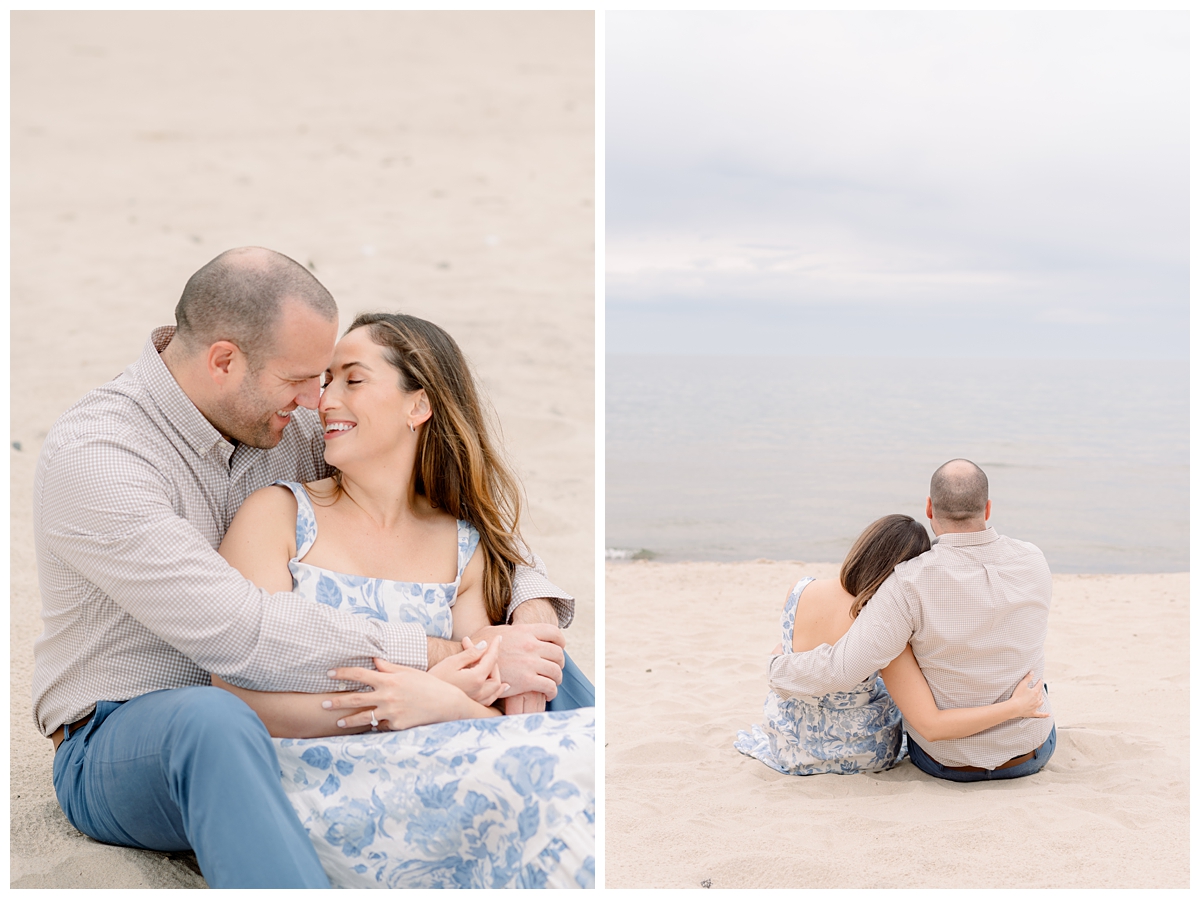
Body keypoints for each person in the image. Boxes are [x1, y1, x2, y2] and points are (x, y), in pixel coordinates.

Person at [31, 248, 588, 888]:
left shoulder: (284, 421)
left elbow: (468, 516)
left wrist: (529, 620)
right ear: (223, 361)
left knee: (541, 660)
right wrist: (442, 656)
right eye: (301, 379)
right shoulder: (99, 457)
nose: (314, 401)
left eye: (327, 378)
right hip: (123, 736)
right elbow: (242, 634)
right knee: (213, 721)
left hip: (290, 720)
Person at [213, 312, 594, 888]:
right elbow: (233, 696)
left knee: (574, 767)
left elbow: (487, 705)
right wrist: (393, 708)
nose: (324, 401)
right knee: (550, 780)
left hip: (447, 765)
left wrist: (440, 698)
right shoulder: (280, 515)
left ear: (419, 406)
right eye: (325, 382)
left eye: (352, 380)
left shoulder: (464, 547)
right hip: (317, 781)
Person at [768, 460, 1056, 782]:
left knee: (900, 652)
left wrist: (779, 668)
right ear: (987, 509)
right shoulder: (1034, 560)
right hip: (1030, 753)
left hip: (947, 764)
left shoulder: (907, 584)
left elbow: (842, 668)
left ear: (930, 509)